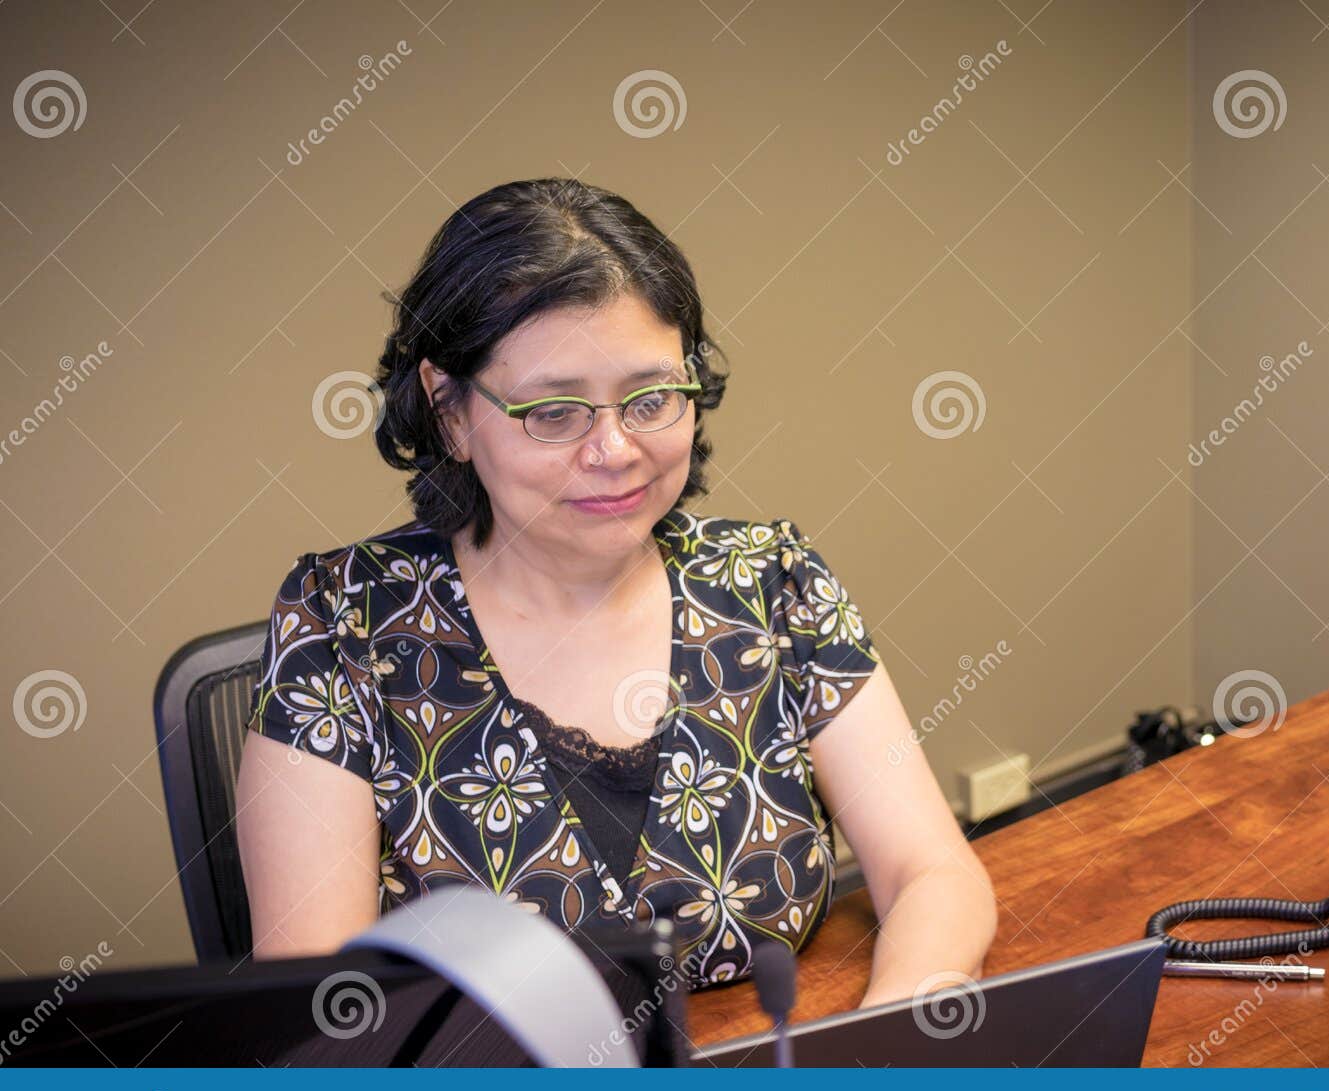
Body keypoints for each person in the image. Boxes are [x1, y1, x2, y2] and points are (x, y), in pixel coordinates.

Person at [236, 177, 996, 1006]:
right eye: (555, 412)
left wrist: (881, 1043)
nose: (615, 450)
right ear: (449, 409)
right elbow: (331, 1014)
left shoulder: (772, 584)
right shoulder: (343, 623)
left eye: (651, 398)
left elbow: (933, 874)